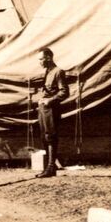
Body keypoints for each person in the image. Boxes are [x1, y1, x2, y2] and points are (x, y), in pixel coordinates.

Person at [35, 47, 68, 177]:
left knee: (50, 136)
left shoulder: (58, 72)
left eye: (41, 59)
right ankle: (49, 167)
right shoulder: (47, 72)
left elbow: (64, 92)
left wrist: (50, 100)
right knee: (44, 137)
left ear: (48, 58)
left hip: (52, 109)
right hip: (44, 109)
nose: (40, 62)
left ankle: (50, 167)